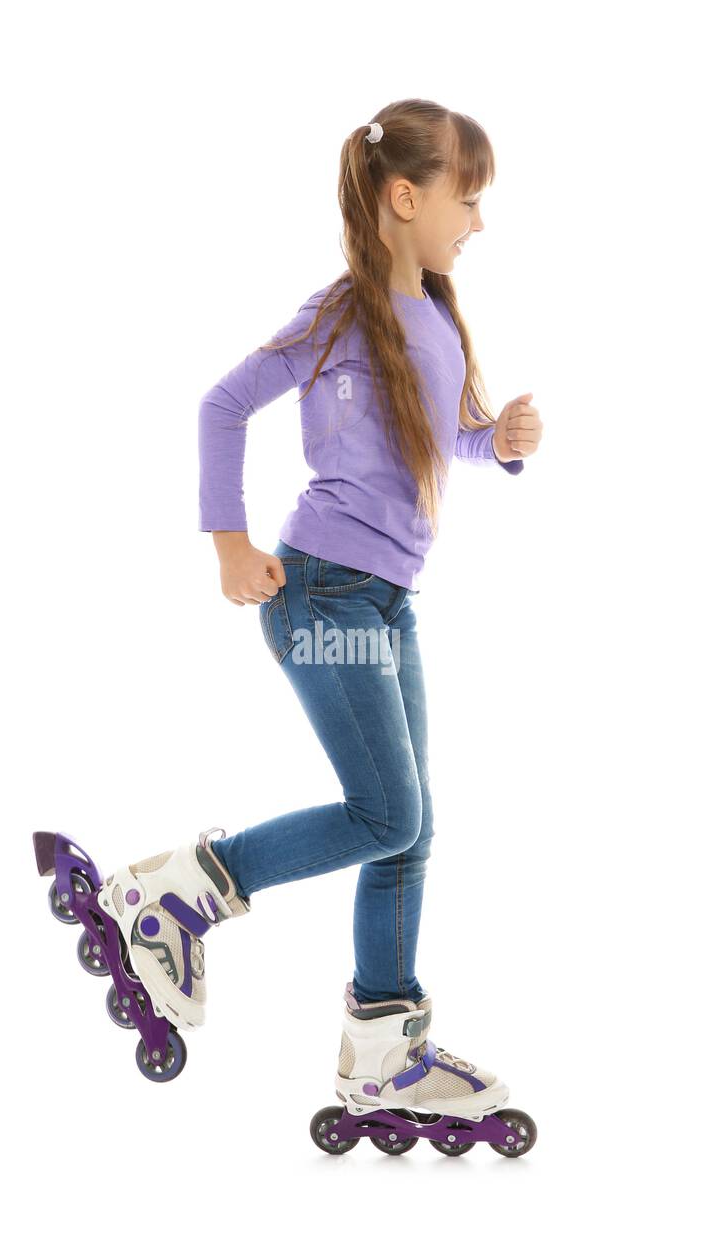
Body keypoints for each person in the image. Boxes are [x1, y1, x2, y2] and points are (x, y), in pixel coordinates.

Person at [102, 99, 543, 1119]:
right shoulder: (339, 313)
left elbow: (452, 438)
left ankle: (383, 1052)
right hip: (321, 594)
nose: (476, 221)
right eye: (465, 199)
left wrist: (502, 440)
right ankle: (178, 892)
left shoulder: (434, 317)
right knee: (389, 812)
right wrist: (229, 544)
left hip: (386, 602)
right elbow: (221, 405)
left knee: (408, 829)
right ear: (404, 196)